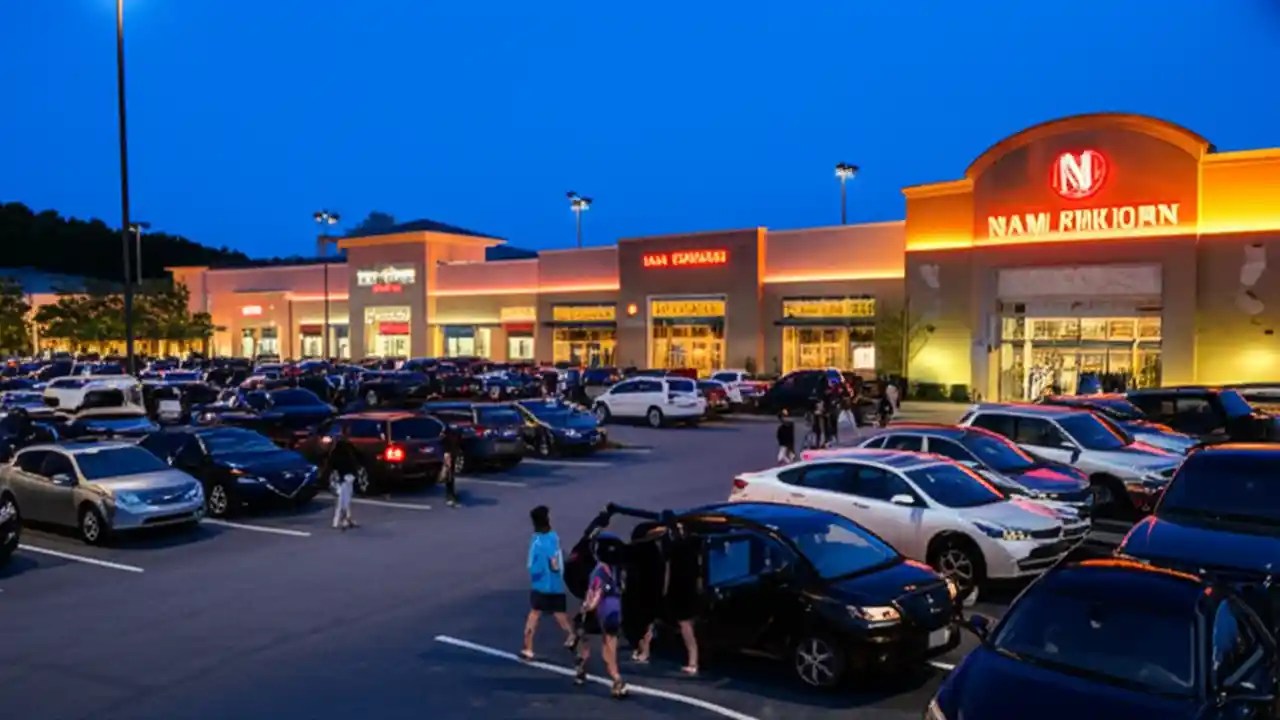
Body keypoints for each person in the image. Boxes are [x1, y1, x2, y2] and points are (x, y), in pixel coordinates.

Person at [632, 527, 700, 676]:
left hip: (681, 589)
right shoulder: (688, 546)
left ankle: (693, 662)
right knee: (656, 620)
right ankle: (645, 652)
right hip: (679, 589)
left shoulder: (680, 547)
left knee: (684, 625)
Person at [575, 533, 628, 698]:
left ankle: (585, 670)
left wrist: (587, 607)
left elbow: (595, 593)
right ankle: (615, 677)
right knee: (611, 644)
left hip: (601, 610)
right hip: (616, 609)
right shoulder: (617, 570)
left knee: (586, 640)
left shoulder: (598, 572)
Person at [521, 506, 575, 660]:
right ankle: (572, 636)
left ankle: (528, 649)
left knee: (534, 615)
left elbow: (532, 564)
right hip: (556, 585)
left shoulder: (536, 541)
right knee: (560, 614)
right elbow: (556, 562)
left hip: (541, 585)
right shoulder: (554, 537)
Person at [318, 426, 361, 530]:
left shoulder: (339, 448)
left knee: (344, 498)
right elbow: (351, 460)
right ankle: (341, 520)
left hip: (344, 475)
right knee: (344, 499)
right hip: (345, 475)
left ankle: (342, 519)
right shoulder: (345, 448)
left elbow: (331, 463)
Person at [438, 422, 462, 508]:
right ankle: (450, 496)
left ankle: (451, 495)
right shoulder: (451, 429)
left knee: (450, 475)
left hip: (451, 453)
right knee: (449, 475)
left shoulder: (448, 428)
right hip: (449, 454)